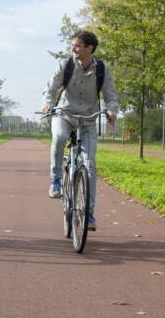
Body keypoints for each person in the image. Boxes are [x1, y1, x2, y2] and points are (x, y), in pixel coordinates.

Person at [41, 30, 118, 231]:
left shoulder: (102, 69)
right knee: (58, 138)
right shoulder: (65, 65)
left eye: (76, 45)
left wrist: (112, 111)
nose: (72, 49)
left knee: (90, 165)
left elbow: (111, 95)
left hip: (88, 121)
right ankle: (56, 180)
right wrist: (48, 105)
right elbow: (50, 89)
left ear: (89, 48)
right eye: (72, 45)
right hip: (64, 114)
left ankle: (89, 213)